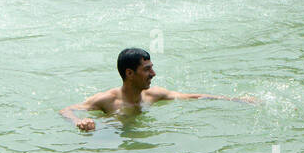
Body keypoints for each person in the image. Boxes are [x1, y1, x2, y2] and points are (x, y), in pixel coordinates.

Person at [59, 47, 256, 131]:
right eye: (147, 69)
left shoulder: (153, 95)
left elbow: (193, 96)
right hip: (111, 136)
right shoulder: (107, 100)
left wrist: (235, 100)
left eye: (151, 67)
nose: (153, 73)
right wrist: (79, 122)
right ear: (129, 73)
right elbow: (65, 110)